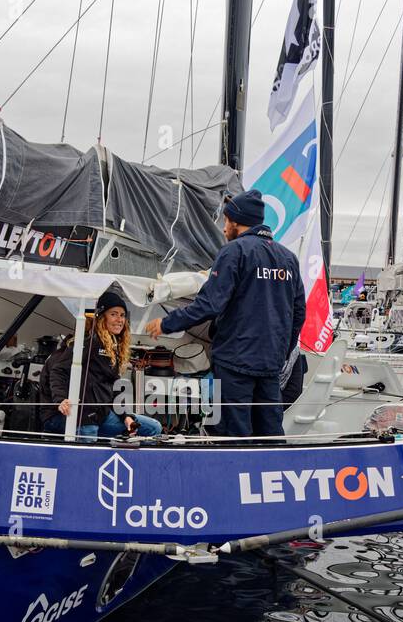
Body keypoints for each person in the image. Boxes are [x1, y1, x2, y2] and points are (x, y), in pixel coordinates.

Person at [146, 188, 305, 438]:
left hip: (235, 363)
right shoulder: (288, 258)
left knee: (235, 432)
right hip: (270, 364)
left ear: (236, 222)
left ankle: (234, 474)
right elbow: (298, 313)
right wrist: (281, 352)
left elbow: (210, 304)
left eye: (225, 221)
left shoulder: (235, 252)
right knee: (270, 432)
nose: (223, 228)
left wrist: (166, 323)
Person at [39, 289, 162, 440]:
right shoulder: (88, 342)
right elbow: (58, 371)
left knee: (153, 428)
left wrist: (127, 417)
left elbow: (115, 388)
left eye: (122, 315)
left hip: (99, 414)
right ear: (102, 317)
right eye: (113, 314)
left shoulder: (114, 348)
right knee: (89, 451)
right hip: (74, 415)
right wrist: (61, 399)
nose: (119, 319)